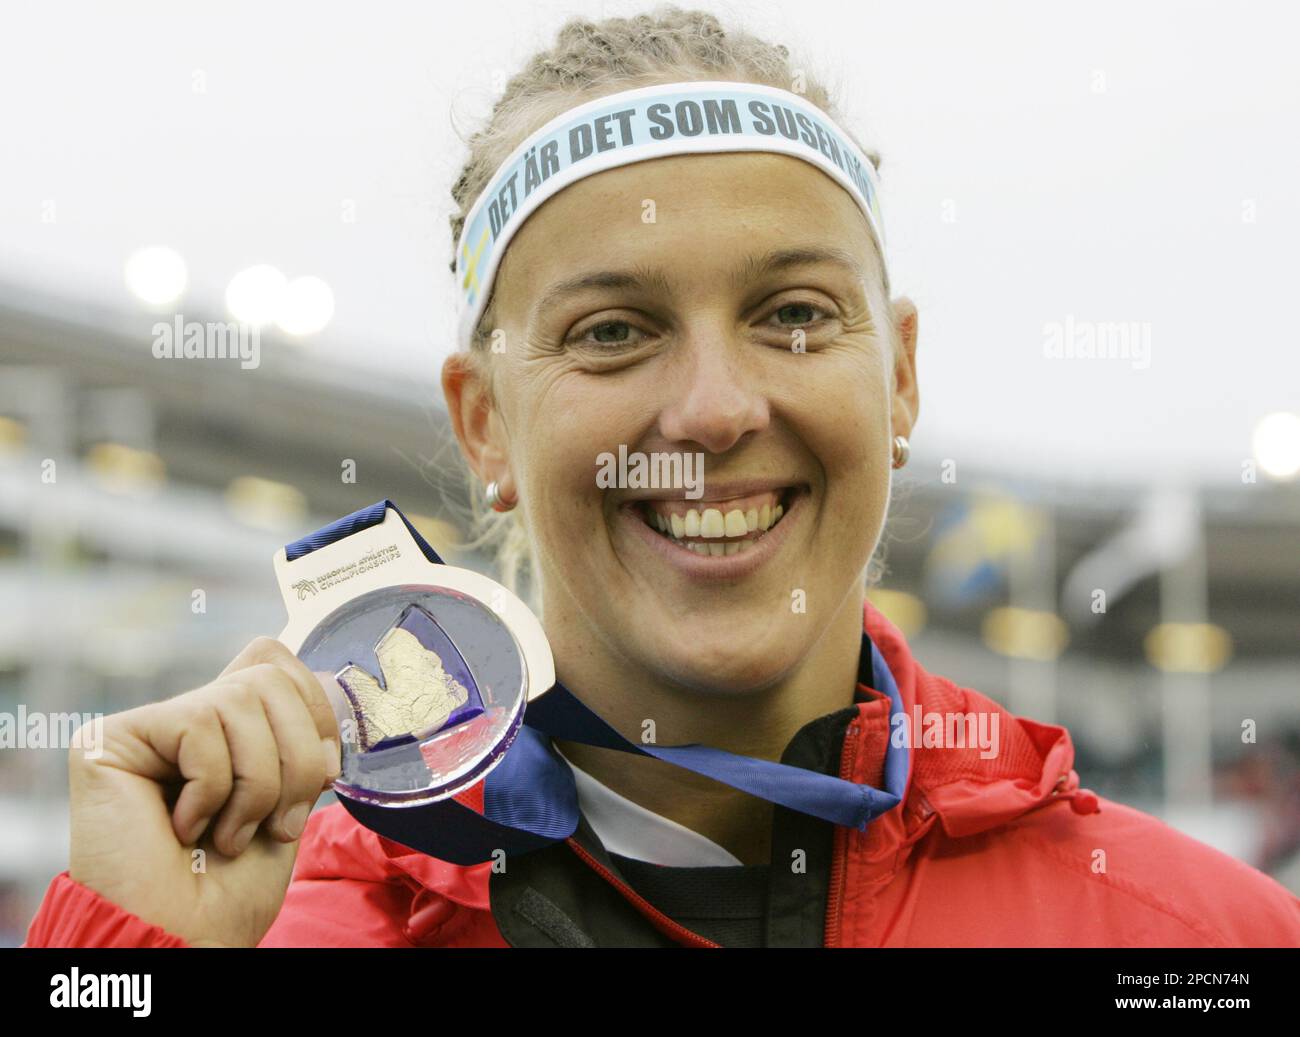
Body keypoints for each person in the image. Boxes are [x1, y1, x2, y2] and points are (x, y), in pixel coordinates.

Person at [24, 7, 1300, 948]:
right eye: (613, 331)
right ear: (483, 427)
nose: (713, 408)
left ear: (899, 377)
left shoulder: (1198, 941)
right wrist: (120, 961)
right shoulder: (274, 925)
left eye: (794, 314)